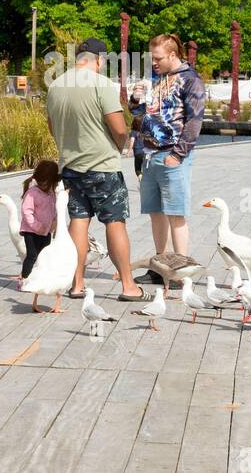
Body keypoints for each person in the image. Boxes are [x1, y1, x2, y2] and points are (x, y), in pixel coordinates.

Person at [45, 38, 142, 302]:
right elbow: (120, 128)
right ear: (99, 60)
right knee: (114, 222)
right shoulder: (102, 84)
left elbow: (52, 127)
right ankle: (128, 286)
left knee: (79, 222)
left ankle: (76, 284)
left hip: (70, 167)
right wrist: (120, 146)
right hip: (102, 167)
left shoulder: (55, 86)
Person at [135, 33, 206, 289]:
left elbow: (195, 121)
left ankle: (179, 272)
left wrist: (178, 154)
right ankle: (159, 267)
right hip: (150, 154)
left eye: (158, 58)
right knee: (155, 213)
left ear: (173, 55)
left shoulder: (191, 80)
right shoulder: (155, 79)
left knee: (176, 213)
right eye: (151, 58)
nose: (153, 63)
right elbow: (139, 114)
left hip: (171, 154)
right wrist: (135, 100)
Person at [18, 159, 59, 281]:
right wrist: (36, 226)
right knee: (32, 256)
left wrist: (55, 222)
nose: (46, 187)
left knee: (44, 256)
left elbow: (53, 209)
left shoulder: (51, 193)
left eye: (49, 184)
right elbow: (26, 212)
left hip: (46, 232)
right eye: (44, 184)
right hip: (31, 232)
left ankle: (40, 278)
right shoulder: (32, 193)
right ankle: (24, 279)